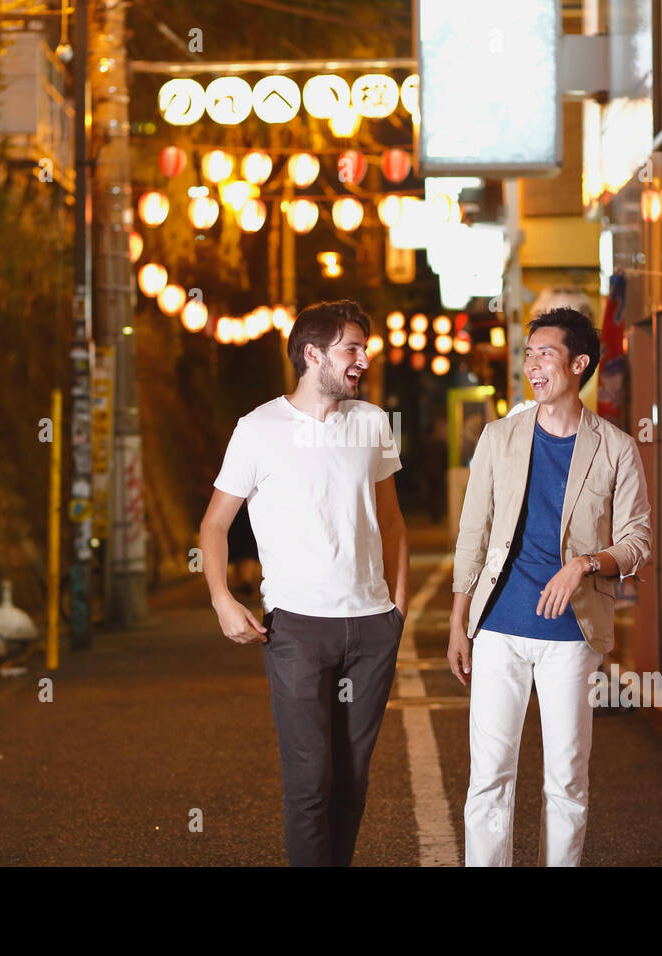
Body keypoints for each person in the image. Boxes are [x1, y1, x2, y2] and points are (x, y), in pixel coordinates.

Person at [199, 299, 409, 867]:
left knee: (352, 783)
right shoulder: (258, 428)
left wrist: (398, 612)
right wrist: (222, 599)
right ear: (312, 354)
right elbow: (215, 524)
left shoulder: (371, 424)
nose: (363, 360)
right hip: (297, 629)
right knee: (311, 782)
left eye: (364, 348)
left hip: (371, 629)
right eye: (352, 348)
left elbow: (390, 523)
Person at [447, 307, 652, 867]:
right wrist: (460, 622)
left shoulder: (615, 448)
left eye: (545, 354)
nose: (532, 365)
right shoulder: (498, 437)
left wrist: (584, 563)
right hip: (499, 628)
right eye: (529, 354)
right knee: (489, 775)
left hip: (571, 636)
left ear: (579, 363)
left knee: (566, 778)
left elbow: (638, 541)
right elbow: (473, 533)